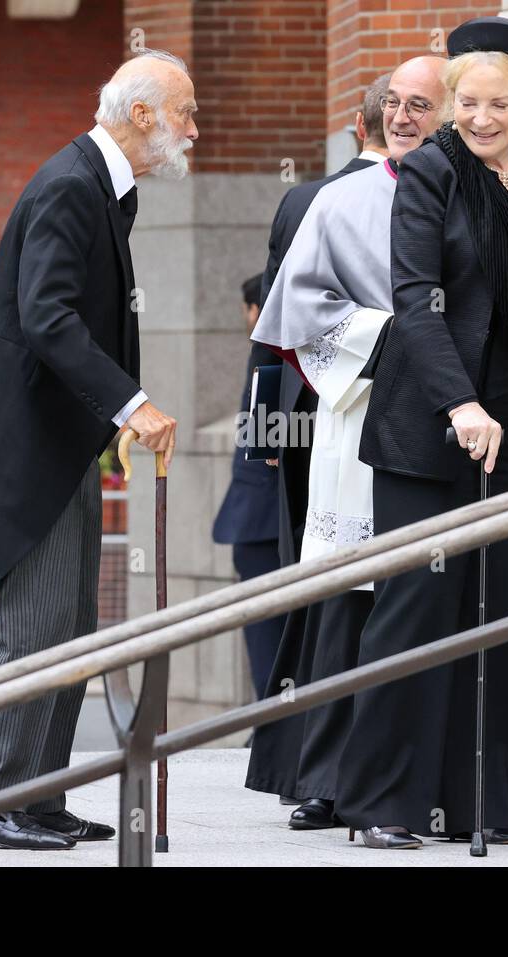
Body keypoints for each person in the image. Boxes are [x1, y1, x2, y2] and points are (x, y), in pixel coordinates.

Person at [0, 50, 194, 851]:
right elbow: (48, 317)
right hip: (22, 441)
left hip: (53, 438)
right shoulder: (71, 184)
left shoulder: (93, 183)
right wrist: (134, 405)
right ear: (142, 115)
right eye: (185, 114)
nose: (191, 130)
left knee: (68, 620)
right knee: (34, 626)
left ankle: (33, 796)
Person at [336, 17, 508, 850]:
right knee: (416, 610)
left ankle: (487, 801)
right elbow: (415, 298)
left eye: (498, 102)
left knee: (503, 613)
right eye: (467, 102)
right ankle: (384, 802)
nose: (480, 117)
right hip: (431, 427)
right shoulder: (428, 174)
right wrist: (460, 404)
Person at [243, 57, 448, 830]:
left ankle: (412, 781)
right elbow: (292, 317)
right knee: (345, 602)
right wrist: (401, 338)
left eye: (419, 105)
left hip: (448, 430)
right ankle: (327, 777)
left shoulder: (471, 199)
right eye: (392, 104)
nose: (401, 117)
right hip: (358, 414)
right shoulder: (336, 200)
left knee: (419, 596)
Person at [244, 74, 390, 808]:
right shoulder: (321, 201)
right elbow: (276, 319)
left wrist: (261, 431)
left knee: (320, 594)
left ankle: (306, 770)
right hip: (354, 419)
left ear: (351, 128)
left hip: (310, 421)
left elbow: (266, 342)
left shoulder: (302, 197)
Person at [212, 275, 287, 698]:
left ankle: (270, 739)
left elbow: (263, 439)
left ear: (253, 311)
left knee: (267, 654)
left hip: (264, 526)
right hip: (275, 524)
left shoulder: (267, 342)